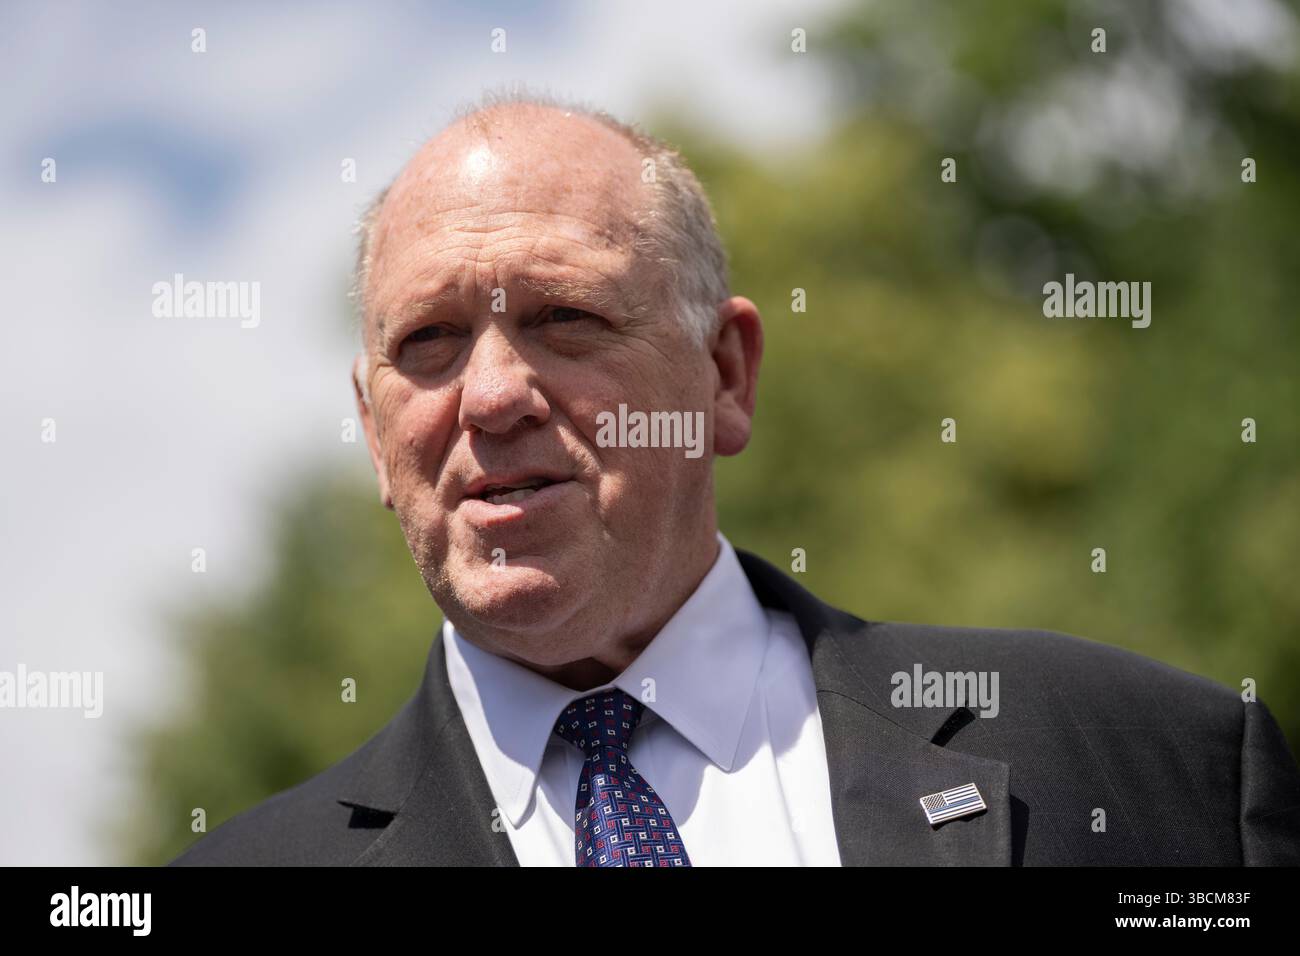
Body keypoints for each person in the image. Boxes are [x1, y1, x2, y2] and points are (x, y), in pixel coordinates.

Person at [171, 94, 1300, 867]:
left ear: (723, 373)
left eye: (566, 316)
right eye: (428, 341)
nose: (492, 394)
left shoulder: (1155, 764)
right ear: (375, 436)